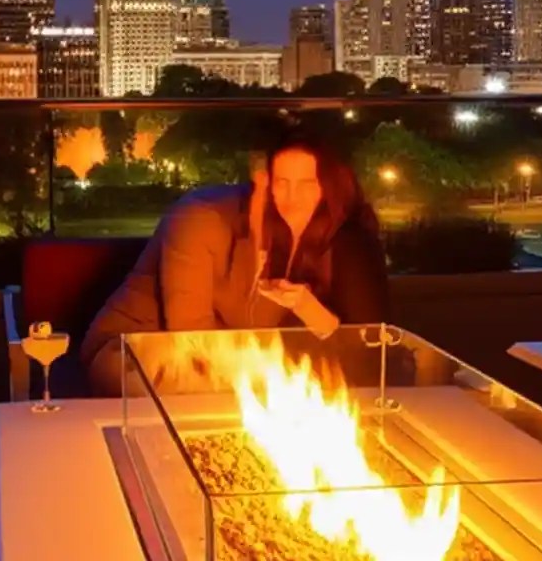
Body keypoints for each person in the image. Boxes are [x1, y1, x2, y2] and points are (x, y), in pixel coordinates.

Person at [79, 127, 390, 396]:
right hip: (136, 348)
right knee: (263, 393)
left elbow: (340, 338)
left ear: (328, 187)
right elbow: (191, 335)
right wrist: (265, 369)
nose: (292, 197)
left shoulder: (312, 237)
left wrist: (306, 309)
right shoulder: (201, 217)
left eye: (307, 183)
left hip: (233, 358)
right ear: (264, 179)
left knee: (309, 387)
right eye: (282, 182)